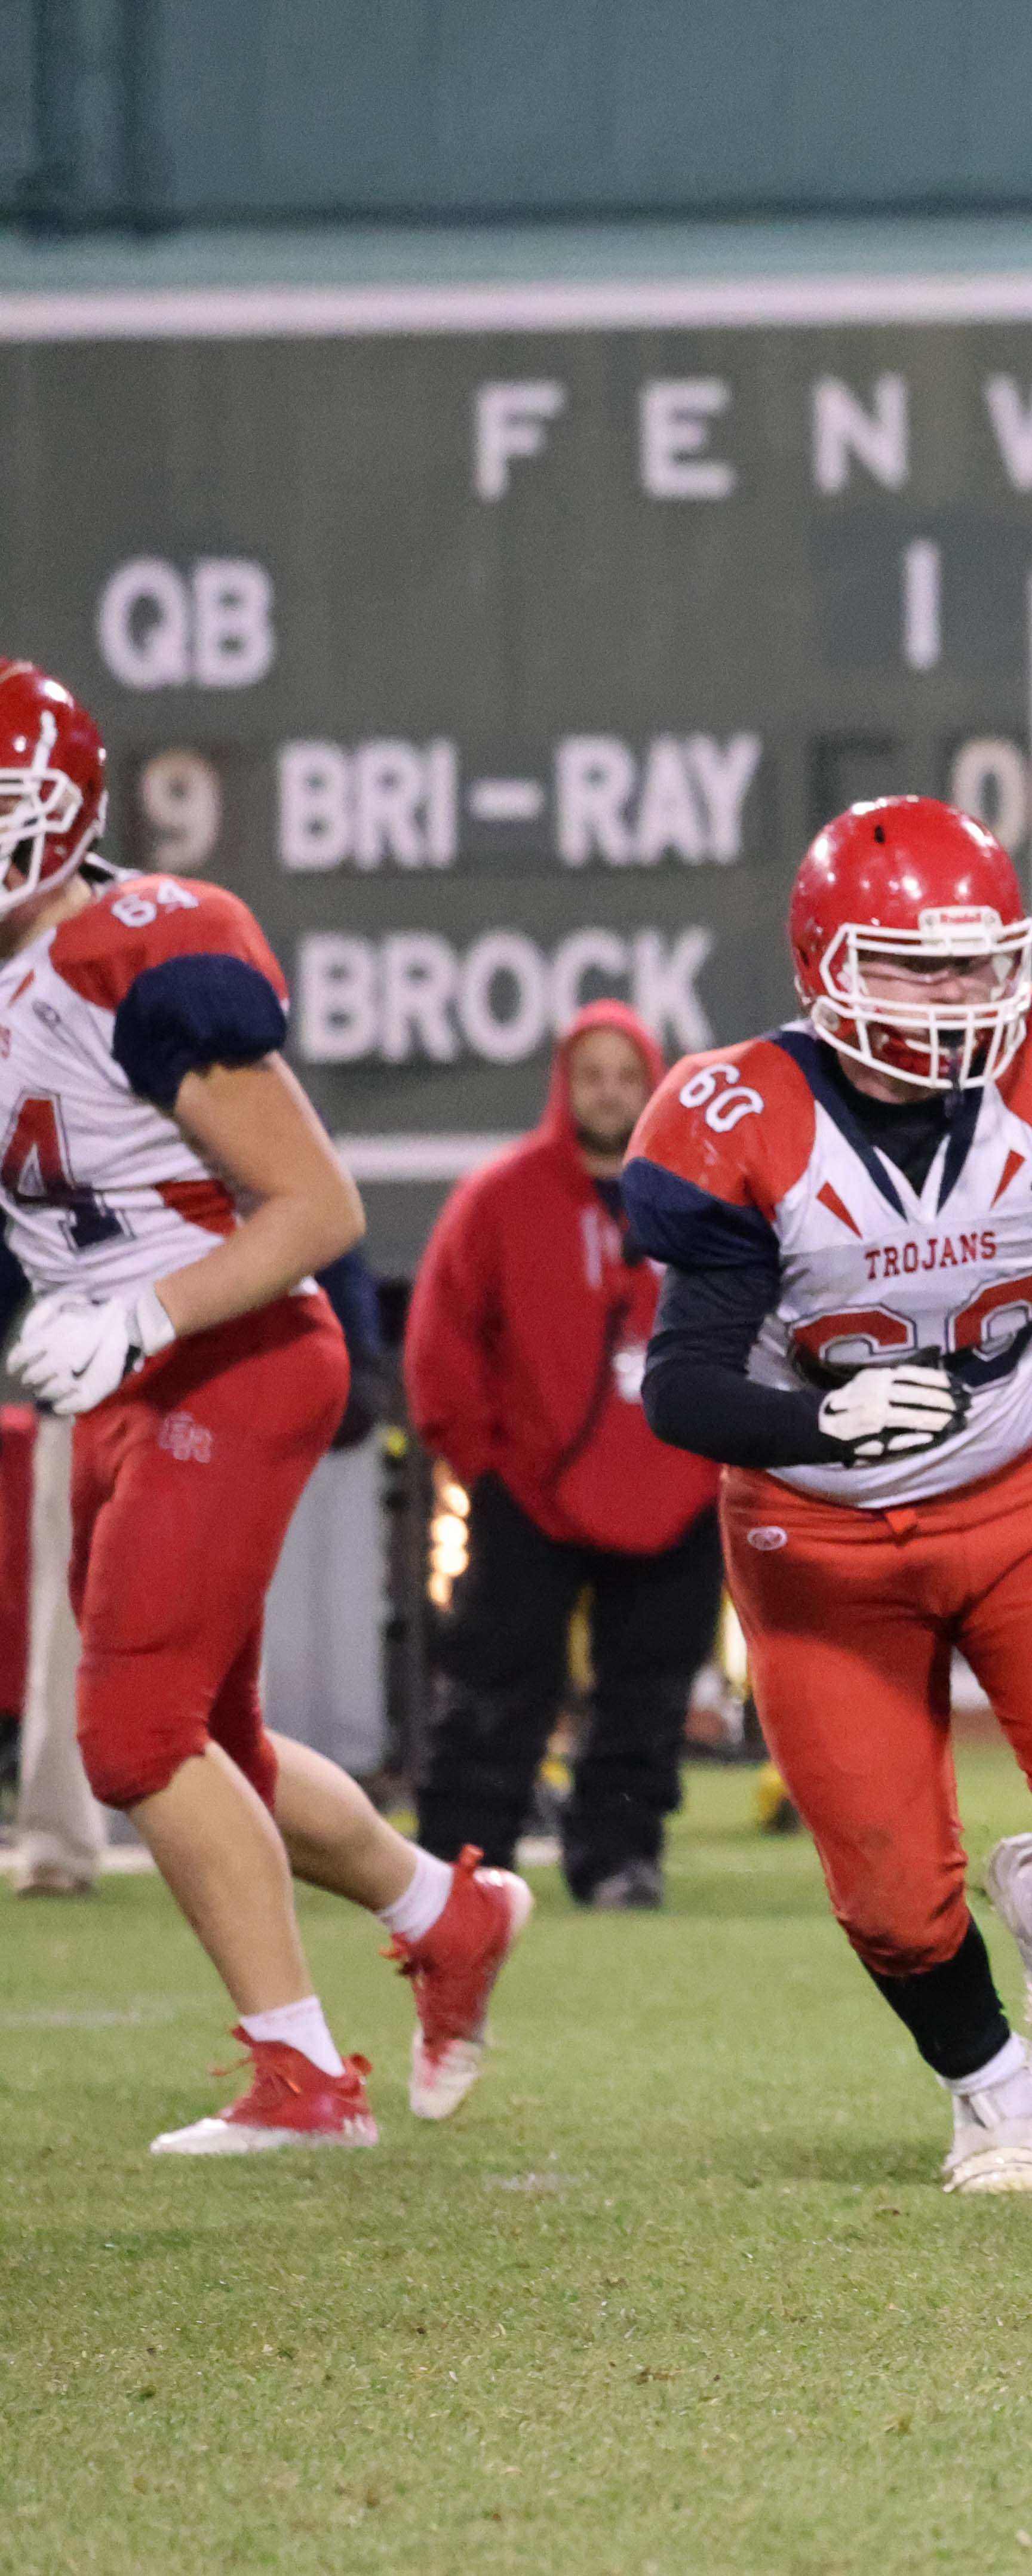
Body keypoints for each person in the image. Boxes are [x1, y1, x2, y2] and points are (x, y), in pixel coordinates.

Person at [626, 796, 1032, 2195]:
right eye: (916, 965)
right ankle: (993, 2094)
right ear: (828, 962)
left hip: (1031, 1478)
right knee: (885, 1887)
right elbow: (680, 1385)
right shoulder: (745, 1115)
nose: (960, 996)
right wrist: (816, 1418)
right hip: (815, 1528)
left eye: (980, 962)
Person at [0, 659, 527, 2153]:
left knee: (133, 1731)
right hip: (115, 1369)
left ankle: (302, 2081)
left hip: (227, 1351)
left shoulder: (132, 948)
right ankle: (449, 1909)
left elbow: (317, 1204)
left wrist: (142, 1314)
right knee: (211, 1734)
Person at [404, 1001, 723, 1911]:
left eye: (628, 1077)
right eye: (593, 1075)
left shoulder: (702, 1200)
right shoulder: (499, 1200)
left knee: (648, 1701)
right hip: (529, 1494)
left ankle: (619, 1856)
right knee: (494, 1686)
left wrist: (719, 1463)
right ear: (563, 1084)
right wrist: (481, 1462)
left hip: (675, 1492)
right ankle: (462, 1867)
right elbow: (443, 1339)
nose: (611, 1094)